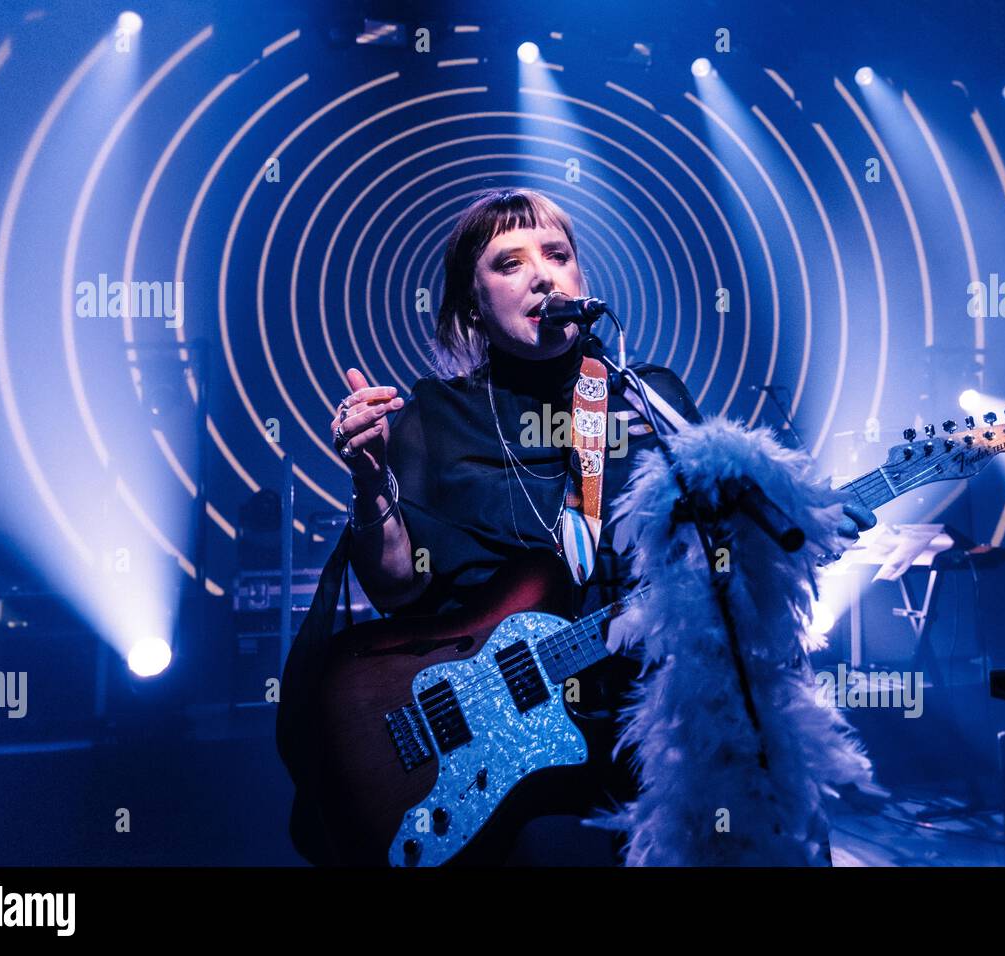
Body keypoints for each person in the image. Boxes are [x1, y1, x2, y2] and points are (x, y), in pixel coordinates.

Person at [283, 187, 874, 865]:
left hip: (652, 732)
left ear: (581, 282)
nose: (542, 274)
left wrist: (785, 539)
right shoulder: (432, 418)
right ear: (472, 304)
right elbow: (396, 590)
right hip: (498, 755)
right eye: (510, 263)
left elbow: (714, 560)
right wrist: (369, 480)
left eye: (558, 255)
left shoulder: (645, 399)